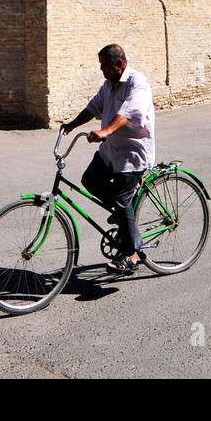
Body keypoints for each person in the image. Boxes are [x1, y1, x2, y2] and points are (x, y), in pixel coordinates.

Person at [60, 44, 156, 274]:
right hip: (111, 151)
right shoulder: (108, 85)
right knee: (90, 179)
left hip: (132, 153)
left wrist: (104, 132)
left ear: (119, 64)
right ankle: (126, 219)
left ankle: (132, 255)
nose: (101, 70)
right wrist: (71, 125)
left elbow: (129, 113)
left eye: (104, 65)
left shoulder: (137, 83)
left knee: (122, 202)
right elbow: (94, 107)